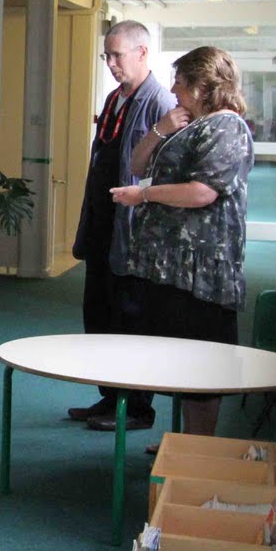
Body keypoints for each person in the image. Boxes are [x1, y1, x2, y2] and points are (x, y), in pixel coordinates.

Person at [111, 45, 254, 443]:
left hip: (199, 270)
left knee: (202, 365)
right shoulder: (189, 124)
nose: (173, 88)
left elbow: (201, 193)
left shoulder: (227, 127)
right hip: (169, 266)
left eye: (180, 81)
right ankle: (185, 443)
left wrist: (145, 196)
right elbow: (138, 166)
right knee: (179, 360)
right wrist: (161, 128)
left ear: (203, 85)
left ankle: (197, 447)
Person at [67, 20, 176, 432]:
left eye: (117, 55)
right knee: (98, 315)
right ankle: (109, 397)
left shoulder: (159, 102)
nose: (111, 63)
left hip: (135, 234)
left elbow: (167, 172)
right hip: (102, 227)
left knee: (130, 319)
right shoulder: (114, 99)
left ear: (142, 53)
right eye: (106, 56)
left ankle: (137, 408)